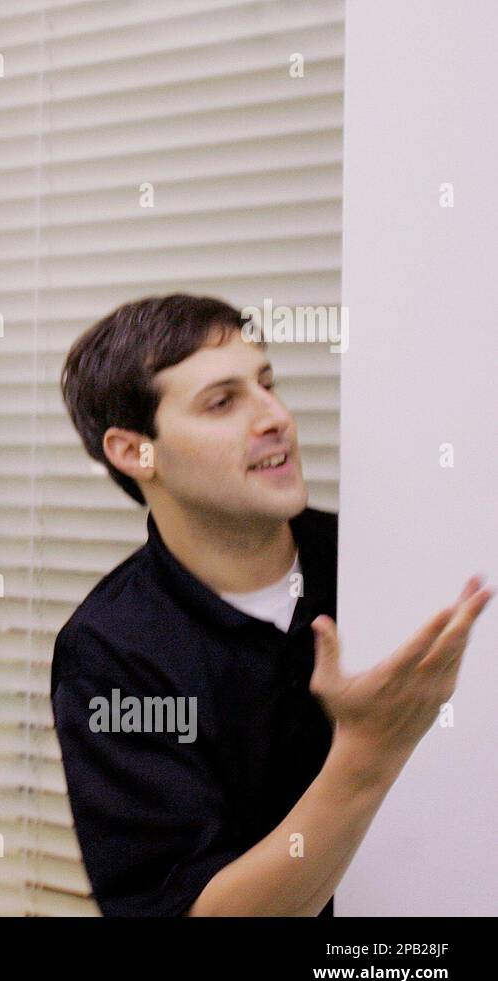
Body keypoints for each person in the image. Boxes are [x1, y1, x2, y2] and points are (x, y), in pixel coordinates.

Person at [51, 293, 490, 916]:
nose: (275, 416)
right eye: (223, 402)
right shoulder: (113, 654)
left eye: (267, 385)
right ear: (134, 452)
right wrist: (367, 753)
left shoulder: (379, 564)